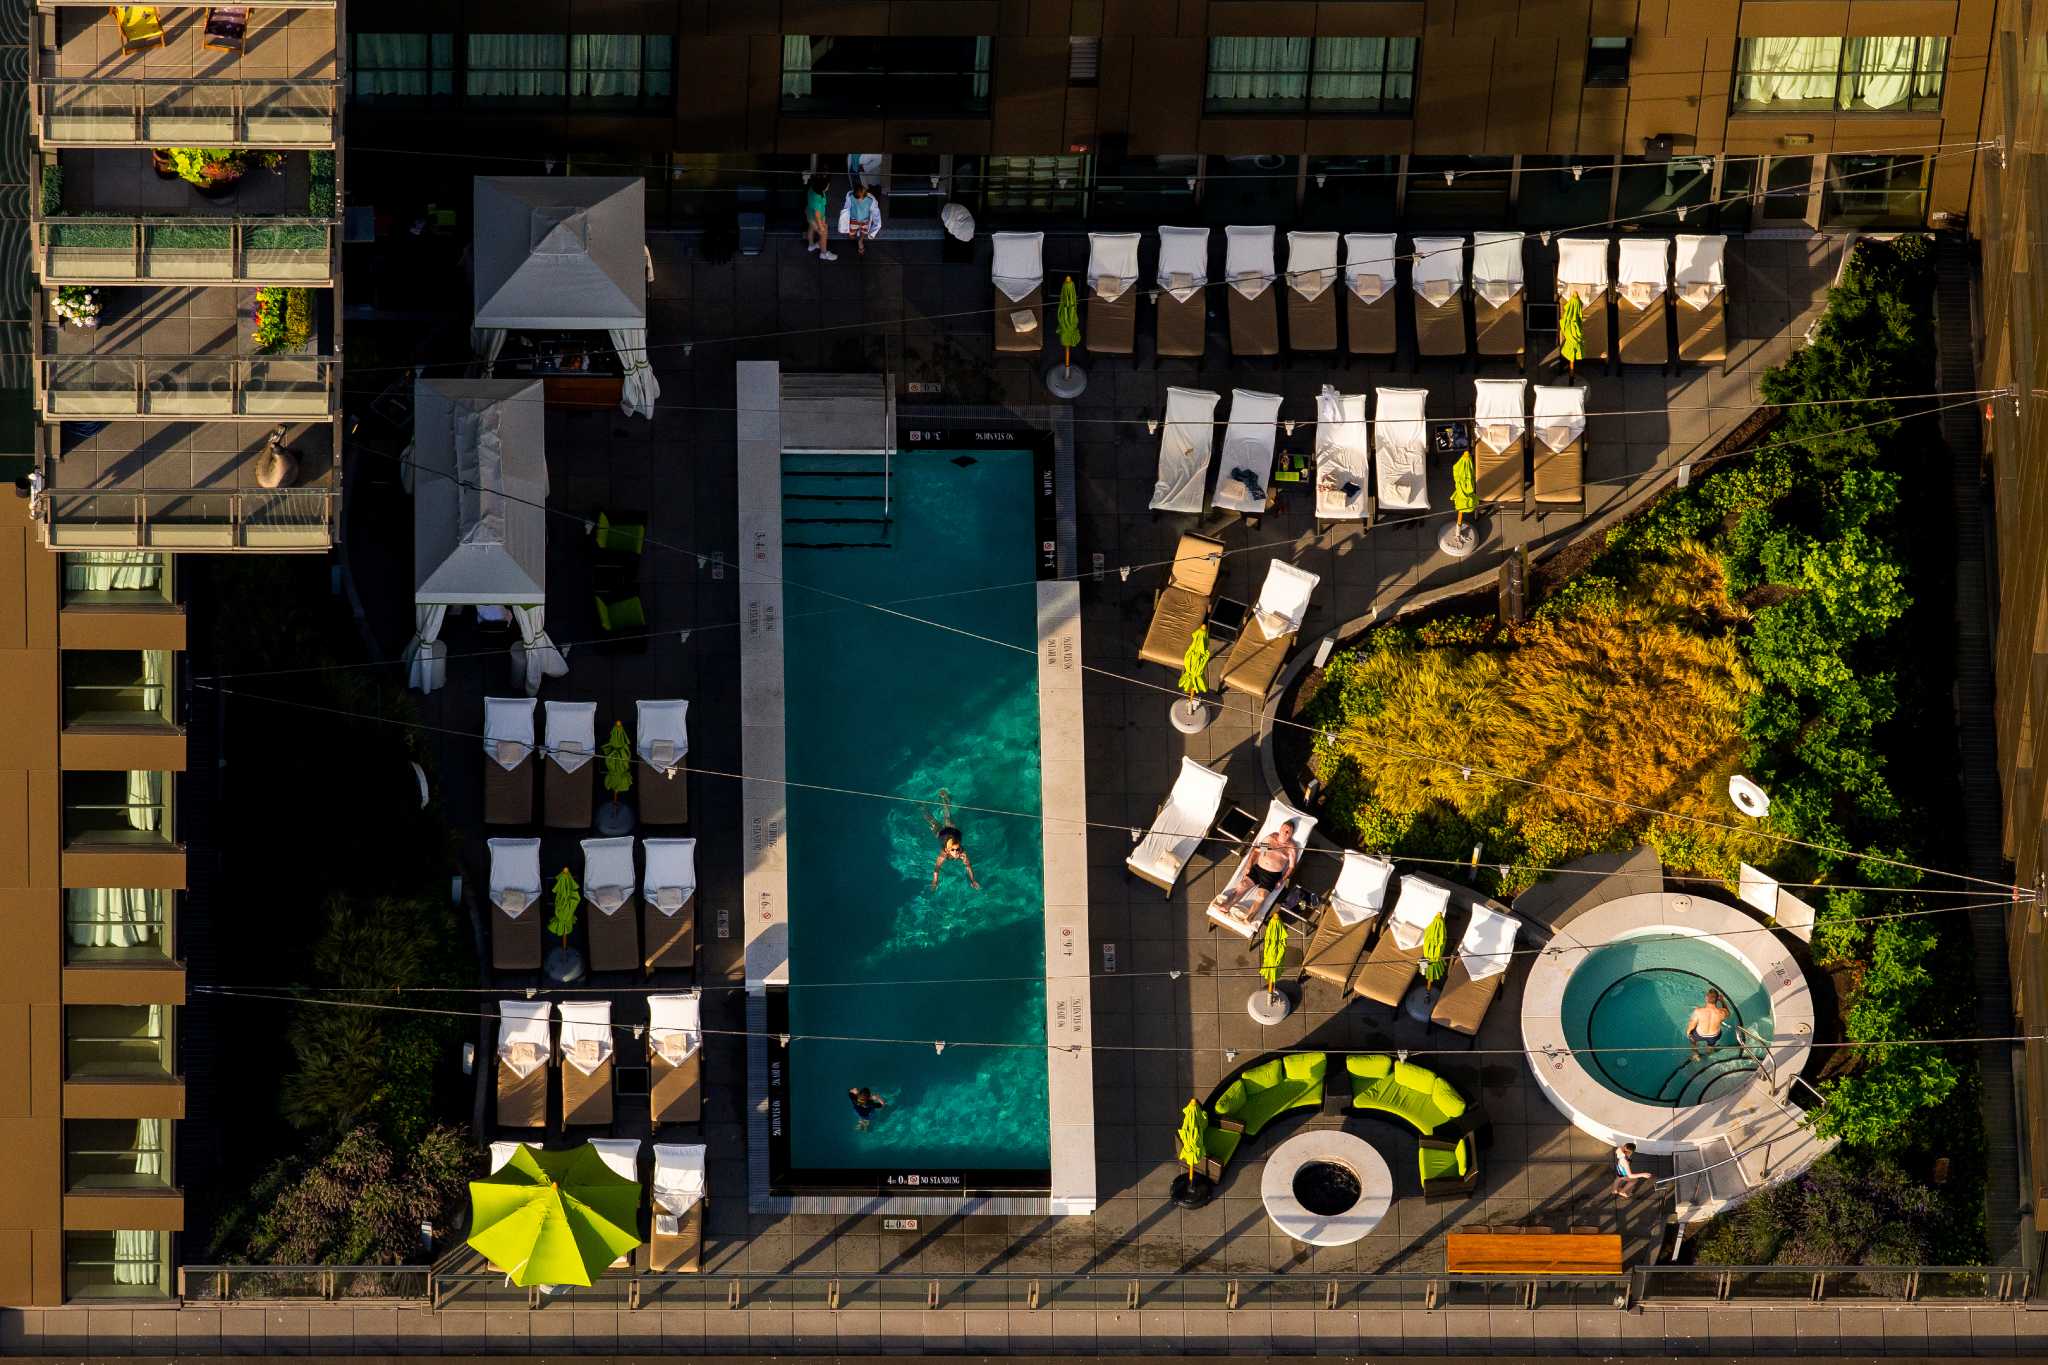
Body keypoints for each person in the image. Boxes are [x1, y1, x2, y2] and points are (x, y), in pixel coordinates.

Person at [1216, 820, 1299, 913]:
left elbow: (1291, 867)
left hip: (1272, 876)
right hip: (1258, 869)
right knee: (1243, 885)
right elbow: (1257, 851)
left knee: (1261, 896)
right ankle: (1227, 905)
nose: (1285, 833)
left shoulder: (1291, 848)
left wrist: (1282, 880)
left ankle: (1249, 917)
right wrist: (1249, 865)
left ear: (1291, 834)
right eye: (1284, 830)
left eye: (1288, 832)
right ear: (1280, 829)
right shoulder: (1271, 838)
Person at [924, 790, 979, 889]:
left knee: (944, 820)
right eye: (953, 850)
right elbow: (936, 869)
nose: (956, 852)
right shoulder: (943, 854)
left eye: (957, 849)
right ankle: (931, 804)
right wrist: (934, 881)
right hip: (946, 834)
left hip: (949, 836)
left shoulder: (962, 853)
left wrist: (973, 880)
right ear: (948, 850)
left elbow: (968, 866)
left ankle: (944, 799)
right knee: (941, 819)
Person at [1686, 988, 1731, 1061]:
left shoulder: (1698, 1011)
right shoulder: (1722, 1012)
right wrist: (1722, 1001)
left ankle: (1696, 1055)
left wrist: (1688, 1032)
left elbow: (1692, 1024)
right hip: (1714, 1035)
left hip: (1699, 1034)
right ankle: (1709, 1052)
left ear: (1706, 998)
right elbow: (1728, 1013)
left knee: (1692, 1040)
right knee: (1711, 1045)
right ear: (1717, 999)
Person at [804, 174, 836, 261]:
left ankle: (811, 245)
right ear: (822, 187)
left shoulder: (812, 188)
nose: (828, 186)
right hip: (815, 218)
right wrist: (821, 226)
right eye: (827, 185)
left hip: (809, 213)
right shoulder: (817, 198)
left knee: (811, 228)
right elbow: (817, 215)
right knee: (824, 233)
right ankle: (823, 253)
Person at [845, 182, 877, 256]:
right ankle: (857, 239)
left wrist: (873, 220)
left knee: (864, 232)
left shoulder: (870, 200)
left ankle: (860, 241)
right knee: (851, 235)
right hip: (854, 219)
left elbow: (874, 209)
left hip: (865, 220)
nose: (858, 200)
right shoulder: (851, 197)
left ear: (864, 195)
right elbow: (847, 204)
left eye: (860, 198)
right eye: (856, 198)